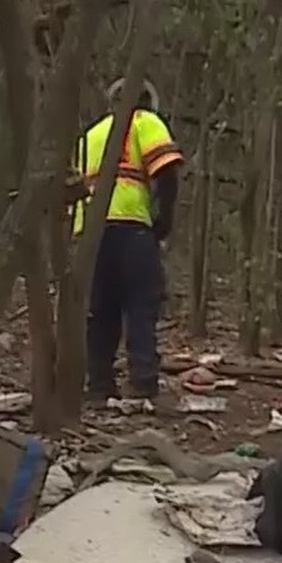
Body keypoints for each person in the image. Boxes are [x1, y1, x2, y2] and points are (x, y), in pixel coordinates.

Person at [70, 78, 185, 402]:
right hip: (131, 227)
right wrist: (163, 221)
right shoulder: (143, 122)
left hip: (90, 234)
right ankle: (143, 382)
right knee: (141, 305)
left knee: (100, 311)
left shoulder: (90, 135)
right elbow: (167, 173)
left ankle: (99, 385)